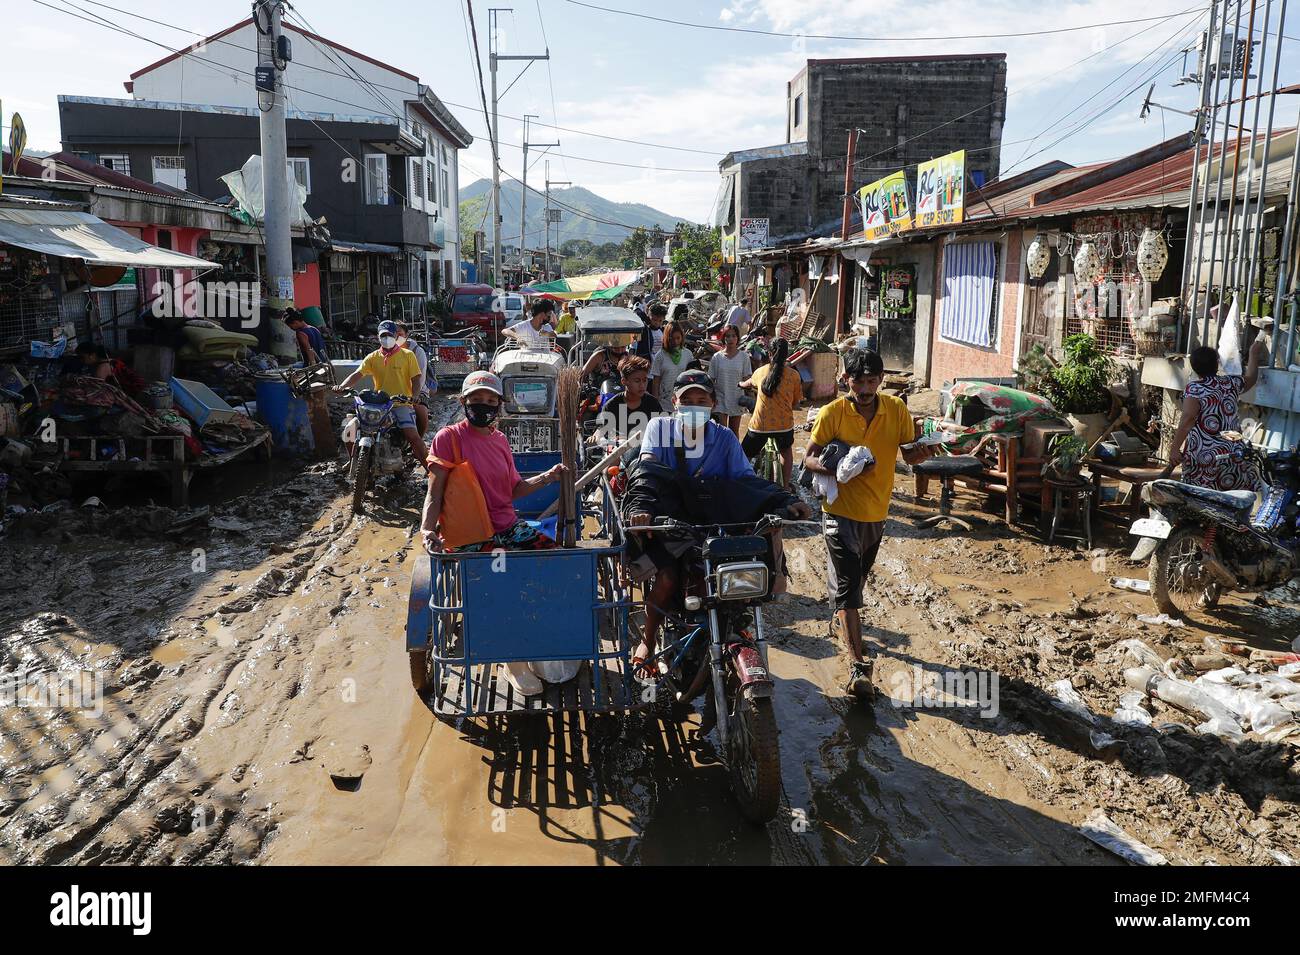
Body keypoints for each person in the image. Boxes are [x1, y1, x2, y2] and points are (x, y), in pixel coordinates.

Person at [626, 369, 810, 675]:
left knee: (750, 562)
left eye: (702, 400)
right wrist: (642, 506)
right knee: (668, 576)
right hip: (670, 520)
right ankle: (647, 639)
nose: (695, 406)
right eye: (688, 400)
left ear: (713, 404)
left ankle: (738, 622)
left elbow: (745, 481)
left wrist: (785, 501)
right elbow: (646, 474)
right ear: (675, 402)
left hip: (712, 522)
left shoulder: (723, 437)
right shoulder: (659, 428)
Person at [421, 370, 569, 697]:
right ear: (464, 402)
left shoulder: (500, 440)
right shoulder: (449, 438)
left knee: (557, 563)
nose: (483, 406)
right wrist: (428, 529)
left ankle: (539, 640)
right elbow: (435, 493)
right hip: (473, 533)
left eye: (490, 401)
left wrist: (548, 477)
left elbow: (514, 489)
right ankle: (512, 660)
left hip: (507, 526)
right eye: (476, 400)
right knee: (501, 586)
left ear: (499, 406)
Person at [803, 348, 934, 702]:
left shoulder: (895, 410)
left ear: (881, 381)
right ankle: (859, 667)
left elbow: (908, 451)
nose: (864, 388)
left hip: (877, 512)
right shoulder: (833, 412)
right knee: (849, 591)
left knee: (858, 580)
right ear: (846, 380)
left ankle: (841, 623)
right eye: (857, 381)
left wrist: (921, 453)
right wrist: (840, 468)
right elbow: (809, 457)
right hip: (839, 510)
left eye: (871, 381)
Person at [1169, 339, 1267, 490]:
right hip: (1234, 452)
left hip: (1205, 456)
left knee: (1202, 501)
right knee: (1233, 499)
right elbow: (1251, 379)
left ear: (1194, 367)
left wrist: (1175, 448)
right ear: (1216, 364)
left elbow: (1188, 418)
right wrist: (1253, 355)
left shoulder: (1195, 388)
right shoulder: (1231, 383)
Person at [334, 320, 427, 465]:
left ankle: (430, 471)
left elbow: (416, 378)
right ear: (378, 337)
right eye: (383, 335)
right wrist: (342, 386)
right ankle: (354, 461)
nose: (386, 338)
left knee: (413, 437)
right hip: (377, 405)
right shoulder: (373, 357)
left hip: (400, 403)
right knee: (349, 431)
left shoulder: (408, 355)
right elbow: (357, 374)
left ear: (396, 336)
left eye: (389, 335)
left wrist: (414, 396)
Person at [740, 336, 801, 487]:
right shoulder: (794, 375)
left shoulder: (760, 372)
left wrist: (740, 384)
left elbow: (748, 383)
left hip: (760, 427)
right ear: (786, 354)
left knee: (743, 454)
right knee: (786, 451)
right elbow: (796, 402)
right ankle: (785, 486)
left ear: (769, 353)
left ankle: (741, 482)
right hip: (784, 427)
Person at [592, 354, 663, 443]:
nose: (642, 385)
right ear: (624, 381)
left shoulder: (653, 404)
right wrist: (595, 438)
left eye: (645, 380)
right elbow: (601, 430)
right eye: (637, 381)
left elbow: (663, 431)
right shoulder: (611, 405)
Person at [708, 324, 752, 436]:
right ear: (723, 338)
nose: (731, 339)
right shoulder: (717, 357)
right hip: (720, 398)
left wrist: (752, 396)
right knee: (722, 432)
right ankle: (722, 453)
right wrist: (711, 399)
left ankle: (734, 453)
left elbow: (747, 379)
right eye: (727, 336)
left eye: (733, 336)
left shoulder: (744, 357)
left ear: (737, 338)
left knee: (734, 431)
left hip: (737, 398)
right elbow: (710, 381)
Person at [395, 321, 432, 437]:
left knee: (421, 412)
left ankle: (419, 440)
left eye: (399, 333)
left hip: (417, 390)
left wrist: (413, 395)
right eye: (393, 334)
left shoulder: (417, 352)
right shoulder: (385, 352)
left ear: (406, 334)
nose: (397, 337)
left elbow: (419, 378)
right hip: (393, 391)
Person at [75, 342, 145, 396]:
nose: (81, 360)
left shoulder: (102, 368)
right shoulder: (109, 360)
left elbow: (96, 390)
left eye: (82, 357)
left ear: (92, 355)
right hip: (137, 387)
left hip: (132, 392)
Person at [648, 320, 692, 405]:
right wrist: (655, 402)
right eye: (672, 338)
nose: (675, 342)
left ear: (682, 337)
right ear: (666, 338)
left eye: (678, 338)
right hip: (664, 403)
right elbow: (656, 382)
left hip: (682, 403)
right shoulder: (660, 355)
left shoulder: (688, 355)